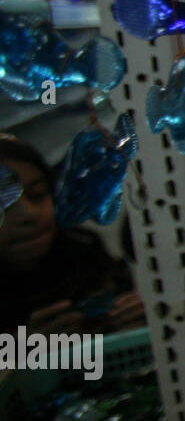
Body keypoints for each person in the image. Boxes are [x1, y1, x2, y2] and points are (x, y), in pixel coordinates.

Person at [0, 134, 143, 335]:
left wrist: (146, 321)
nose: (29, 214)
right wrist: (19, 357)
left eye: (39, 194)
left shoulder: (87, 257)